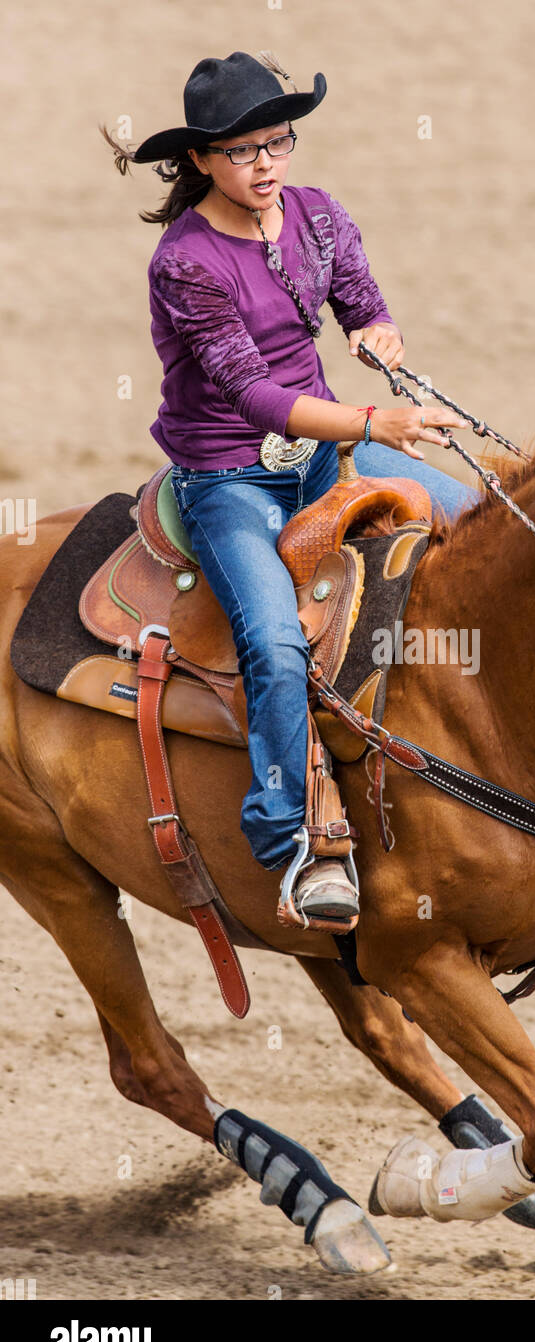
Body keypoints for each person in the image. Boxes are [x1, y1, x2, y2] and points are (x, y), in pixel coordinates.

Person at [102, 50, 479, 926]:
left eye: (280, 141)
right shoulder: (184, 263)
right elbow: (252, 395)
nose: (267, 164)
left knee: (476, 527)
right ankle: (295, 841)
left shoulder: (315, 216)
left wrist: (376, 331)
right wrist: (371, 424)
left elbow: (357, 295)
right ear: (198, 159)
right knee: (274, 643)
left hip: (320, 455)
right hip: (231, 476)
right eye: (244, 150)